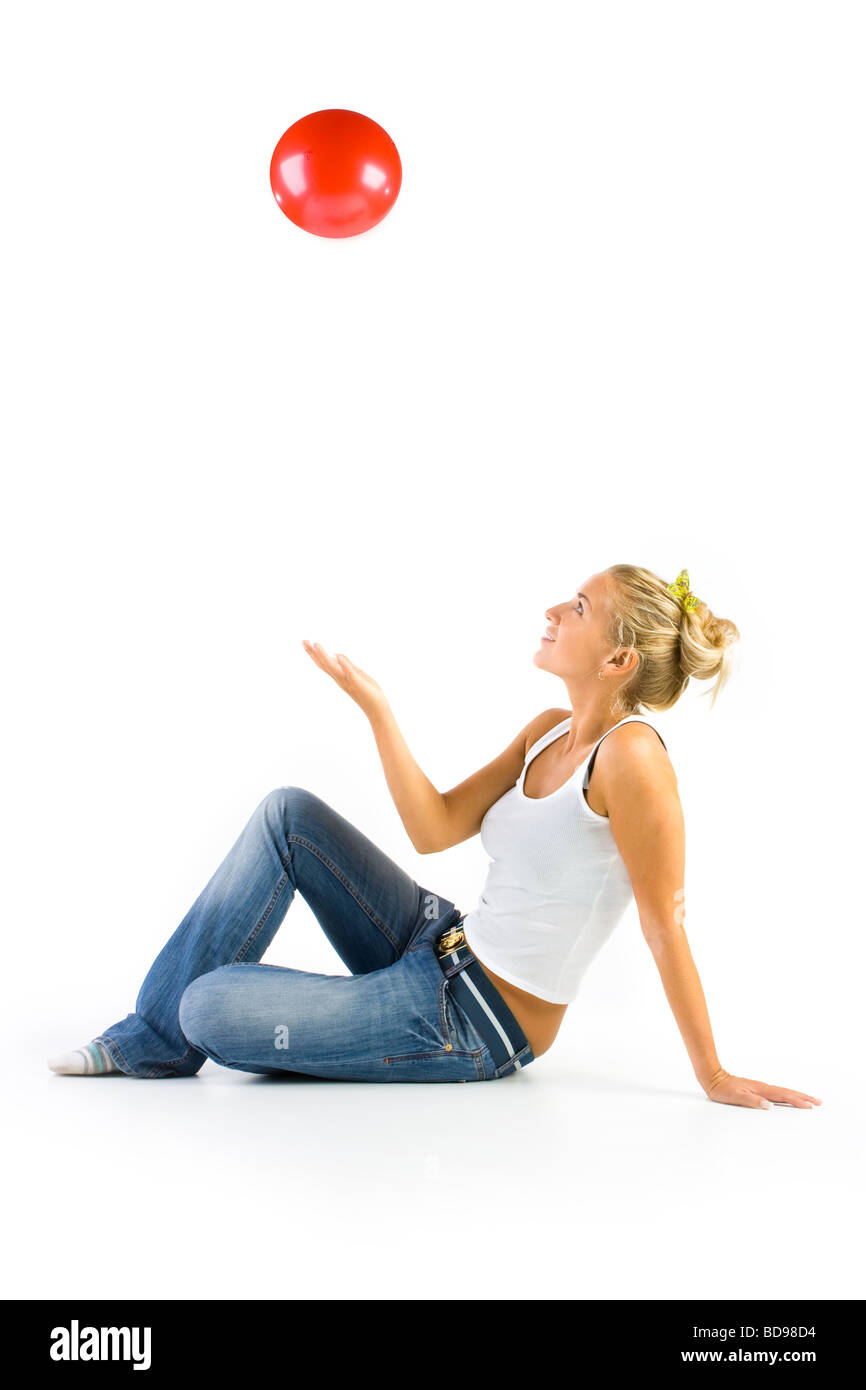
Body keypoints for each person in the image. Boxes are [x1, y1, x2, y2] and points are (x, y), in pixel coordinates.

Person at [48, 564, 821, 1110]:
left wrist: (713, 1073)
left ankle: (226, 1028)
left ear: (619, 660)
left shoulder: (632, 760)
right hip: (438, 939)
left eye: (579, 608)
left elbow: (666, 922)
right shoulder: (547, 731)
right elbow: (434, 827)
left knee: (210, 1007)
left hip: (471, 1023)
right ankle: (148, 1040)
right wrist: (379, 711)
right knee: (289, 815)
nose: (554, 609)